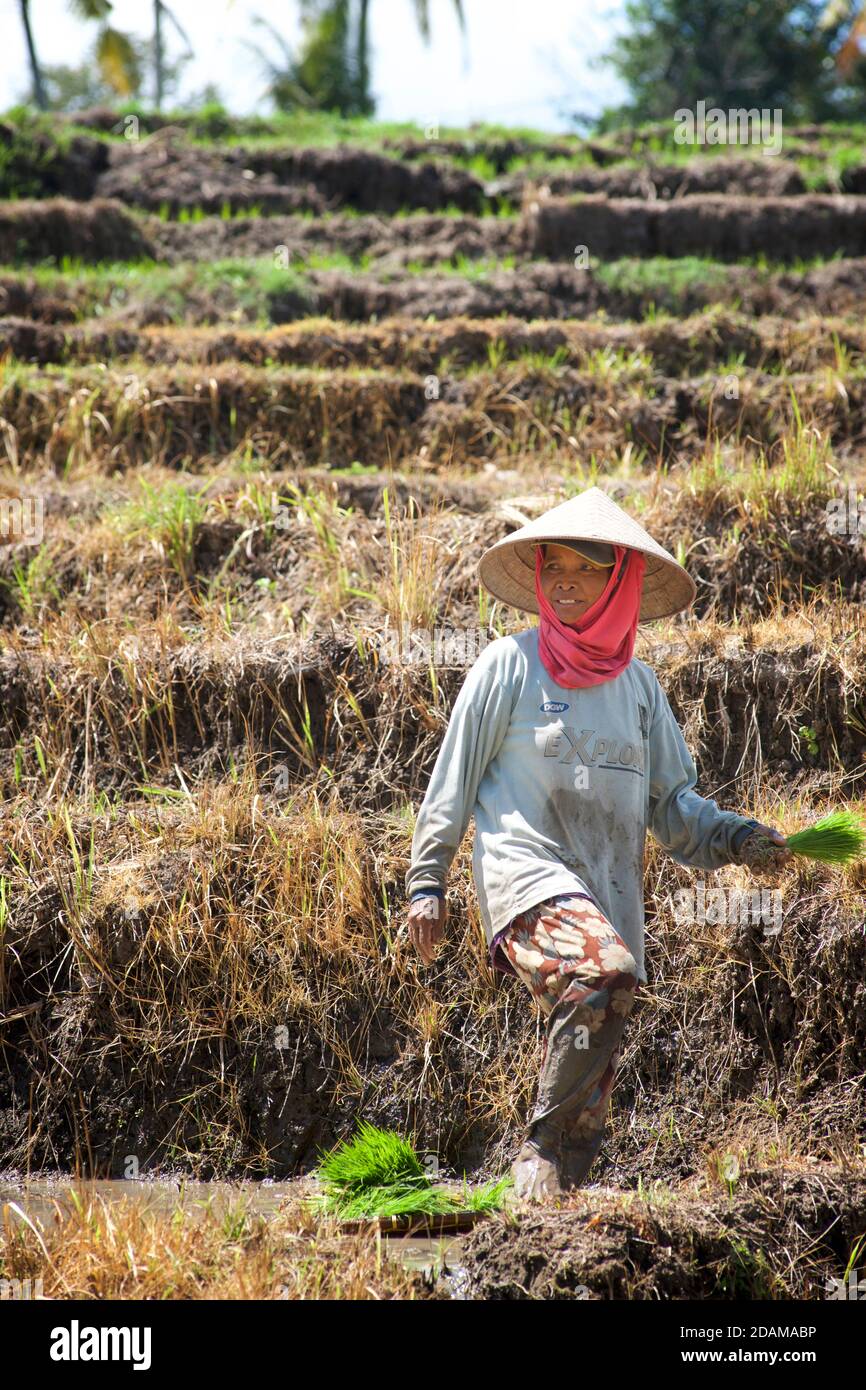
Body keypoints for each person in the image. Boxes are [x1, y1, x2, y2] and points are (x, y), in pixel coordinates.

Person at [404, 485, 791, 1202]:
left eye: (587, 572)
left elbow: (674, 811)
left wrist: (741, 839)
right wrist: (427, 882)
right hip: (527, 879)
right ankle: (534, 1145)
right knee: (604, 973)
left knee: (591, 1111)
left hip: (607, 900)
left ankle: (545, 1236)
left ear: (620, 583)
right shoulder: (508, 666)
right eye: (556, 570)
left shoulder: (640, 690)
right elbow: (449, 783)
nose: (567, 584)